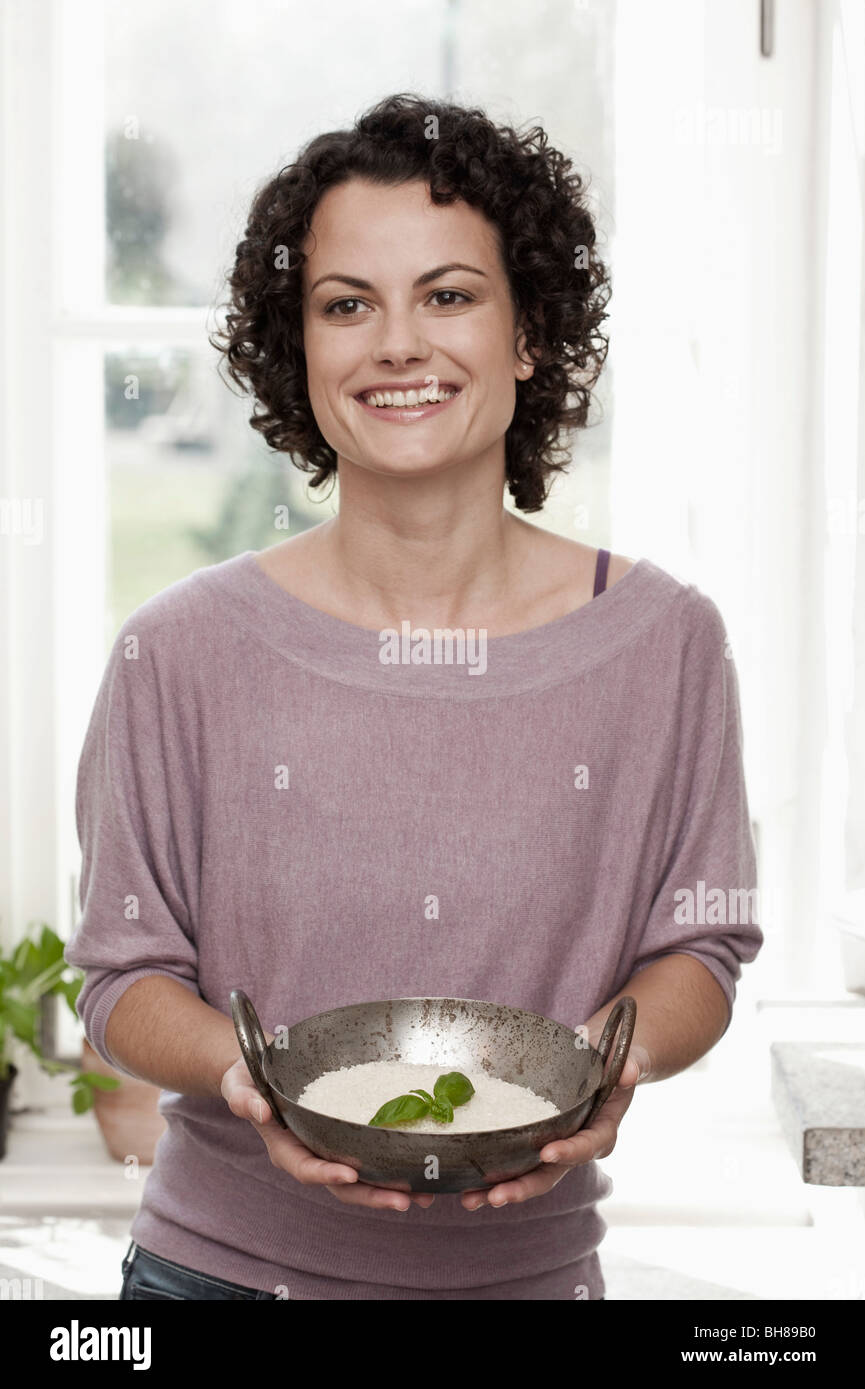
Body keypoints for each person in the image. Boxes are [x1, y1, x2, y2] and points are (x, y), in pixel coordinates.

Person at [65, 93, 763, 1301]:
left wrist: (611, 1062)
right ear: (302, 346)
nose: (398, 345)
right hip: (218, 1279)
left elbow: (696, 947)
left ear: (527, 332)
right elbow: (122, 977)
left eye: (448, 295)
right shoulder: (176, 652)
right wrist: (248, 1076)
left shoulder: (665, 647)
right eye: (347, 305)